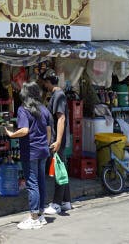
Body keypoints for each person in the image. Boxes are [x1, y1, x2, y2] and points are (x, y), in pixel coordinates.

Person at [4, 81, 52, 230]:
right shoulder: (44, 109)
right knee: (40, 181)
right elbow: (49, 131)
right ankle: (41, 215)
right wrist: (45, 144)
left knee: (32, 184)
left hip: (30, 151)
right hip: (43, 150)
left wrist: (12, 134)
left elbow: (24, 130)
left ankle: (34, 218)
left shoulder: (23, 109)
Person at [41, 69, 71, 215]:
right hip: (58, 139)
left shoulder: (58, 95)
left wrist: (58, 140)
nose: (44, 86)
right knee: (62, 167)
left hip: (57, 140)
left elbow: (61, 118)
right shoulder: (57, 94)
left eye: (45, 83)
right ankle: (66, 201)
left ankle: (57, 204)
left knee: (58, 170)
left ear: (48, 82)